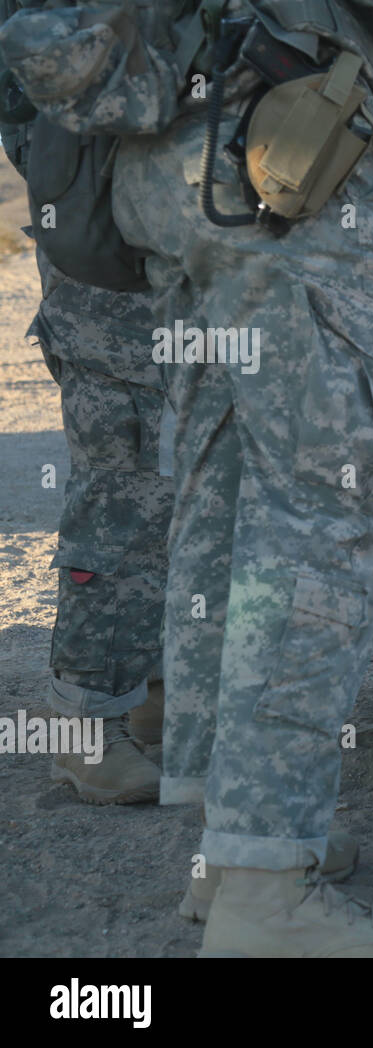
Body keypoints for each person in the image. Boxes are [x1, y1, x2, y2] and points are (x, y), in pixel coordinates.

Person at [7, 0, 373, 957]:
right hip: (286, 159)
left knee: (220, 499)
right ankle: (266, 889)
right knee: (328, 510)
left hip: (170, 171)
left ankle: (228, 844)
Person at [0, 105, 170, 805]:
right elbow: (34, 110)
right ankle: (82, 722)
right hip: (115, 289)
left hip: (184, 275)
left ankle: (149, 685)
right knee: (122, 499)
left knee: (188, 487)